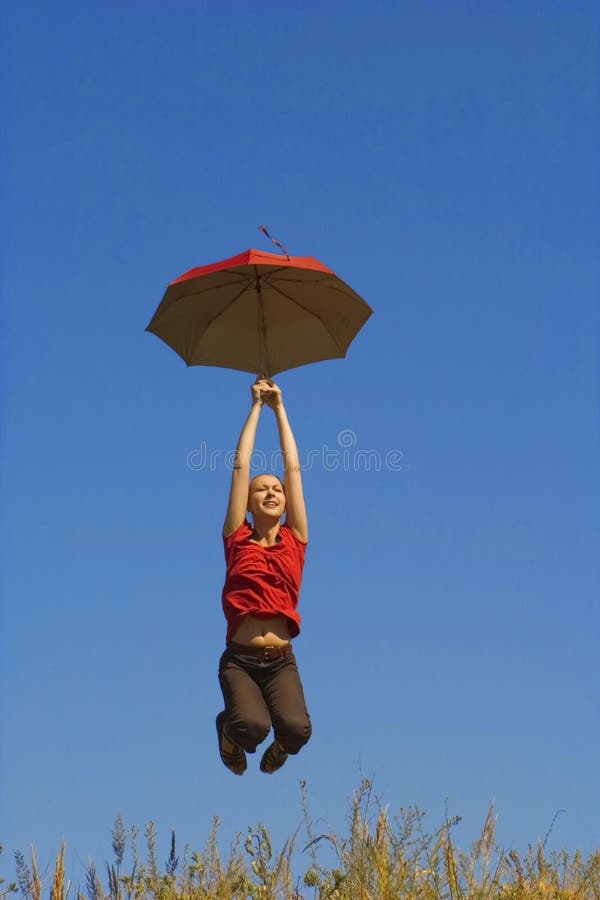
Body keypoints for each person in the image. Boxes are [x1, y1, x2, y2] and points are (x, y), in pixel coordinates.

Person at [216, 379, 312, 775]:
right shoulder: (237, 537)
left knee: (296, 731)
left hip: (280, 662)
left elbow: (293, 469)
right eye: (261, 490)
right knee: (250, 728)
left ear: (285, 499)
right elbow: (241, 466)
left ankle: (283, 744)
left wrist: (280, 408)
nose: (271, 492)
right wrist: (256, 407)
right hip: (240, 660)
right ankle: (227, 731)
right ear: (250, 503)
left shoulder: (296, 538)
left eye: (276, 489)